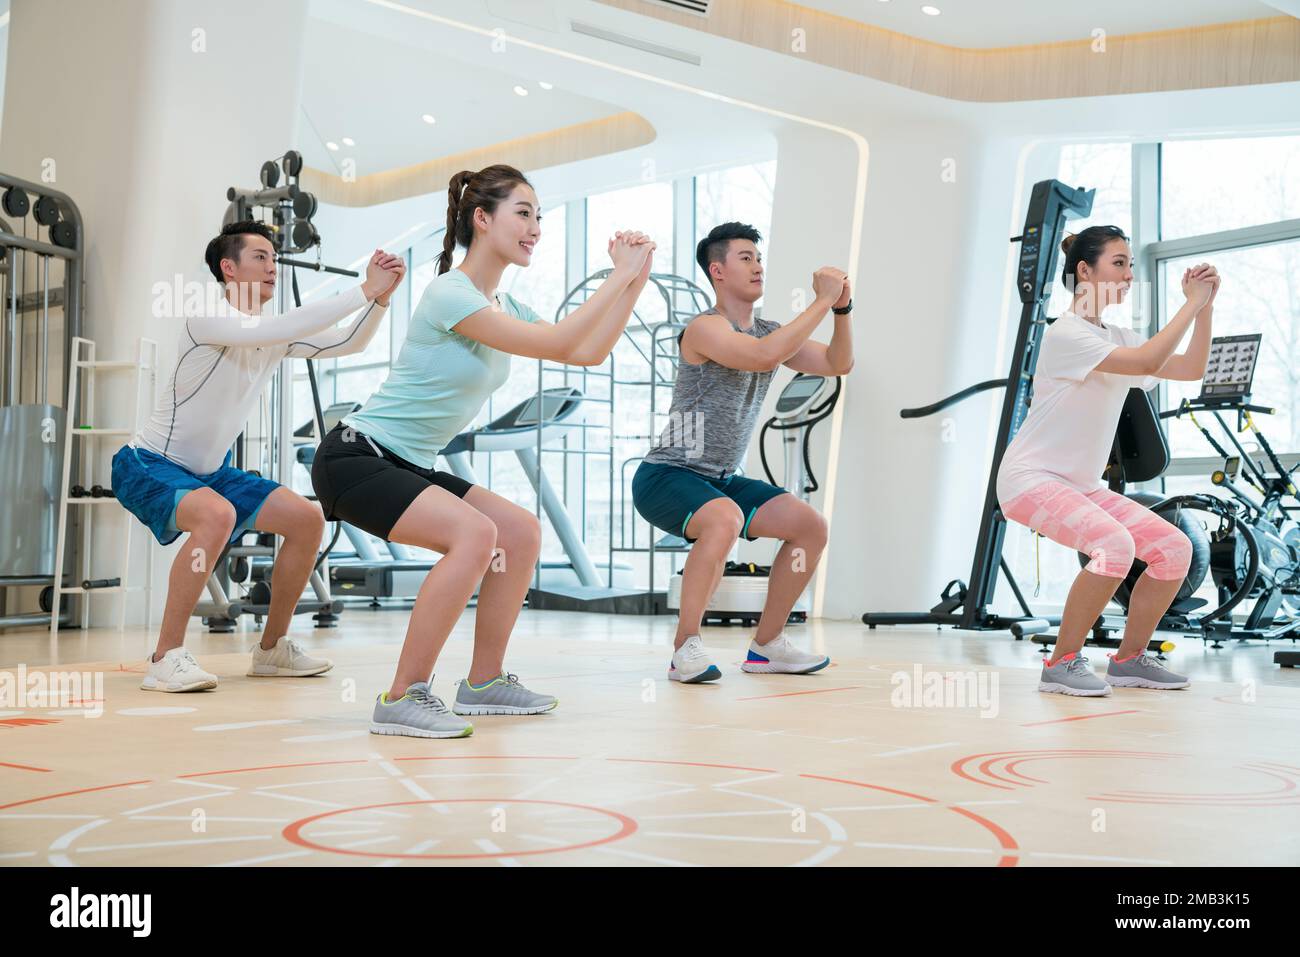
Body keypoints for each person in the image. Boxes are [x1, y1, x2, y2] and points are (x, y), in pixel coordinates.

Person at [311, 164, 655, 738]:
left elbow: (587, 352)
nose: (536, 228)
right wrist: (616, 276)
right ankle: (401, 697)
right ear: (481, 219)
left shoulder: (506, 307)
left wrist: (633, 279)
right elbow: (562, 340)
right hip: (355, 456)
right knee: (475, 535)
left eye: (539, 216)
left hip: (408, 462)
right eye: (523, 213)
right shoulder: (450, 292)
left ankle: (483, 683)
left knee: (518, 532)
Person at [113, 221, 404, 692]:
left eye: (274, 258)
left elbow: (350, 343)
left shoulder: (272, 333)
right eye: (261, 257)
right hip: (146, 464)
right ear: (229, 268)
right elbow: (282, 326)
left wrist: (382, 299)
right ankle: (165, 658)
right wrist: (364, 288)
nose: (273, 267)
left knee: (307, 519)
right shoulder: (206, 320)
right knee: (216, 515)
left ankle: (271, 650)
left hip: (214, 472)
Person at [997, 224, 1219, 696]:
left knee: (1173, 549)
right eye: (1119, 263)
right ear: (1085, 271)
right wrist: (1190, 303)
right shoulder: (1067, 333)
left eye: (1131, 265)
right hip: (1030, 479)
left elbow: (1190, 368)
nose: (1129, 274)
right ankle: (1060, 663)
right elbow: (1143, 363)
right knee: (1114, 547)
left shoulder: (1117, 333)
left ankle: (1129, 660)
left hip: (1080, 485)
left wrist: (1206, 310)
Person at [631, 222, 855, 683]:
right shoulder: (704, 327)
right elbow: (759, 356)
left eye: (758, 257)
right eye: (745, 258)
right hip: (666, 474)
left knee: (809, 526)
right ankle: (684, 648)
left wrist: (842, 308)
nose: (757, 266)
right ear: (717, 271)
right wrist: (819, 300)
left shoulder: (772, 331)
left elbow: (838, 363)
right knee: (724, 518)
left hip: (719, 477)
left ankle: (767, 645)